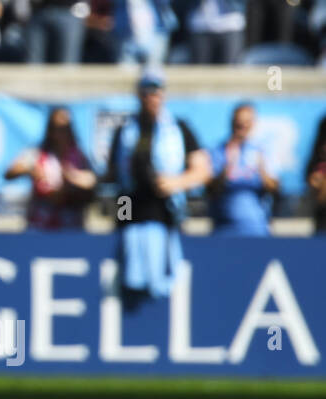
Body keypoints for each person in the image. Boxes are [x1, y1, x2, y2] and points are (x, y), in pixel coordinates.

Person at [103, 71, 211, 307]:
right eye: (146, 93)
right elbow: (112, 175)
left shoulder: (178, 128)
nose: (151, 98)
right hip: (129, 207)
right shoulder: (125, 130)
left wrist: (175, 182)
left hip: (165, 209)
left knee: (161, 268)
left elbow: (202, 171)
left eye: (156, 92)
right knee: (128, 264)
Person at [4, 106, 96, 230]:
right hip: (41, 223)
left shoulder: (78, 156)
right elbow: (9, 172)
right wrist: (31, 170)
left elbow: (91, 181)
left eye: (65, 128)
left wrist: (70, 176)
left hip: (70, 224)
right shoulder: (38, 153)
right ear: (51, 130)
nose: (62, 133)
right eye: (57, 128)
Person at [206, 103, 277, 236]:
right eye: (239, 122)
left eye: (247, 122)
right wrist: (227, 168)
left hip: (257, 228)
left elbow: (274, 187)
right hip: (224, 228)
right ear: (232, 123)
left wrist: (262, 170)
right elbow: (210, 188)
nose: (243, 126)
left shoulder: (261, 151)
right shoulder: (218, 151)